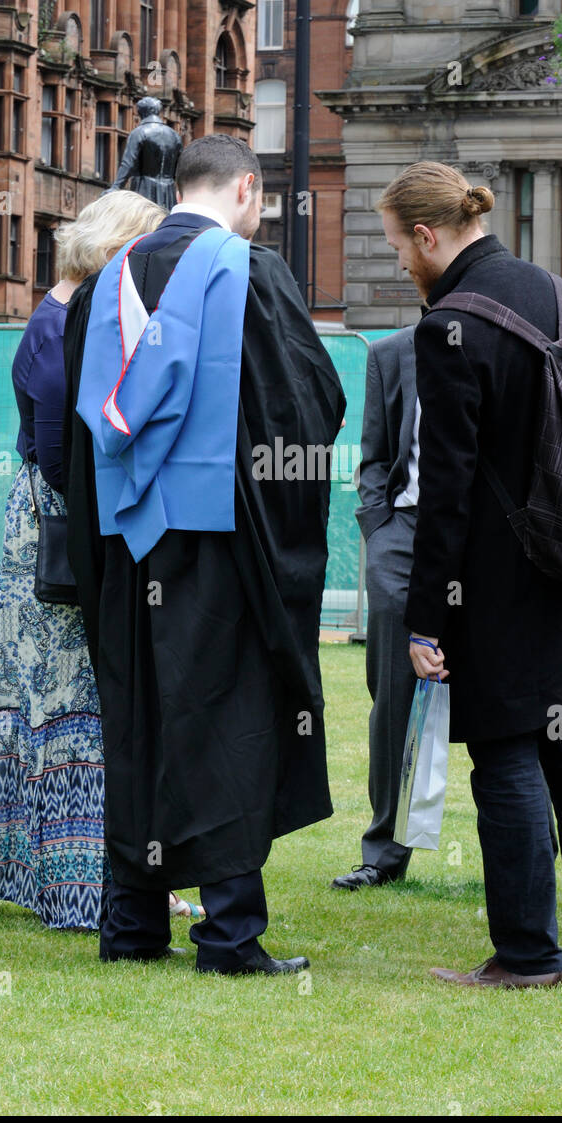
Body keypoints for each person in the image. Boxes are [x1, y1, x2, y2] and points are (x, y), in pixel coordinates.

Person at [62, 134, 346, 974]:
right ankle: (226, 936)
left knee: (138, 718)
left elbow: (69, 438)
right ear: (249, 190)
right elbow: (308, 406)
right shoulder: (251, 275)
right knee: (227, 724)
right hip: (223, 546)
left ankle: (132, 928)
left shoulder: (103, 281)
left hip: (124, 542)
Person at [377, 160, 562, 989]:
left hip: (499, 575)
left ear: (427, 234)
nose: (398, 265)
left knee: (506, 756)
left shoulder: (447, 323)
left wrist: (425, 618)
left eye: (396, 247)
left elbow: (445, 491)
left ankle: (527, 956)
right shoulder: (561, 293)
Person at [0, 190, 181, 932]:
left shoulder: (59, 317)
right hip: (56, 537)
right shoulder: (64, 324)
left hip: (42, 532)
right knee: (73, 705)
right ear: (113, 251)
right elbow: (64, 459)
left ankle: (60, 877)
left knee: (39, 702)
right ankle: (86, 886)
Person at [333, 328, 420, 890]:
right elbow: (376, 454)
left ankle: (527, 839)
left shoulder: (499, 342)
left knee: (506, 693)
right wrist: (380, 527)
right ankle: (384, 850)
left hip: (487, 542)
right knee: (392, 697)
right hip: (404, 534)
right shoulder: (391, 354)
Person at [107, 97, 182, 210]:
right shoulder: (174, 135)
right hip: (168, 191)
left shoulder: (139, 132)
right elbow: (180, 166)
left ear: (142, 113)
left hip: (144, 188)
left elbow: (128, 163)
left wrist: (116, 187)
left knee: (141, 221)